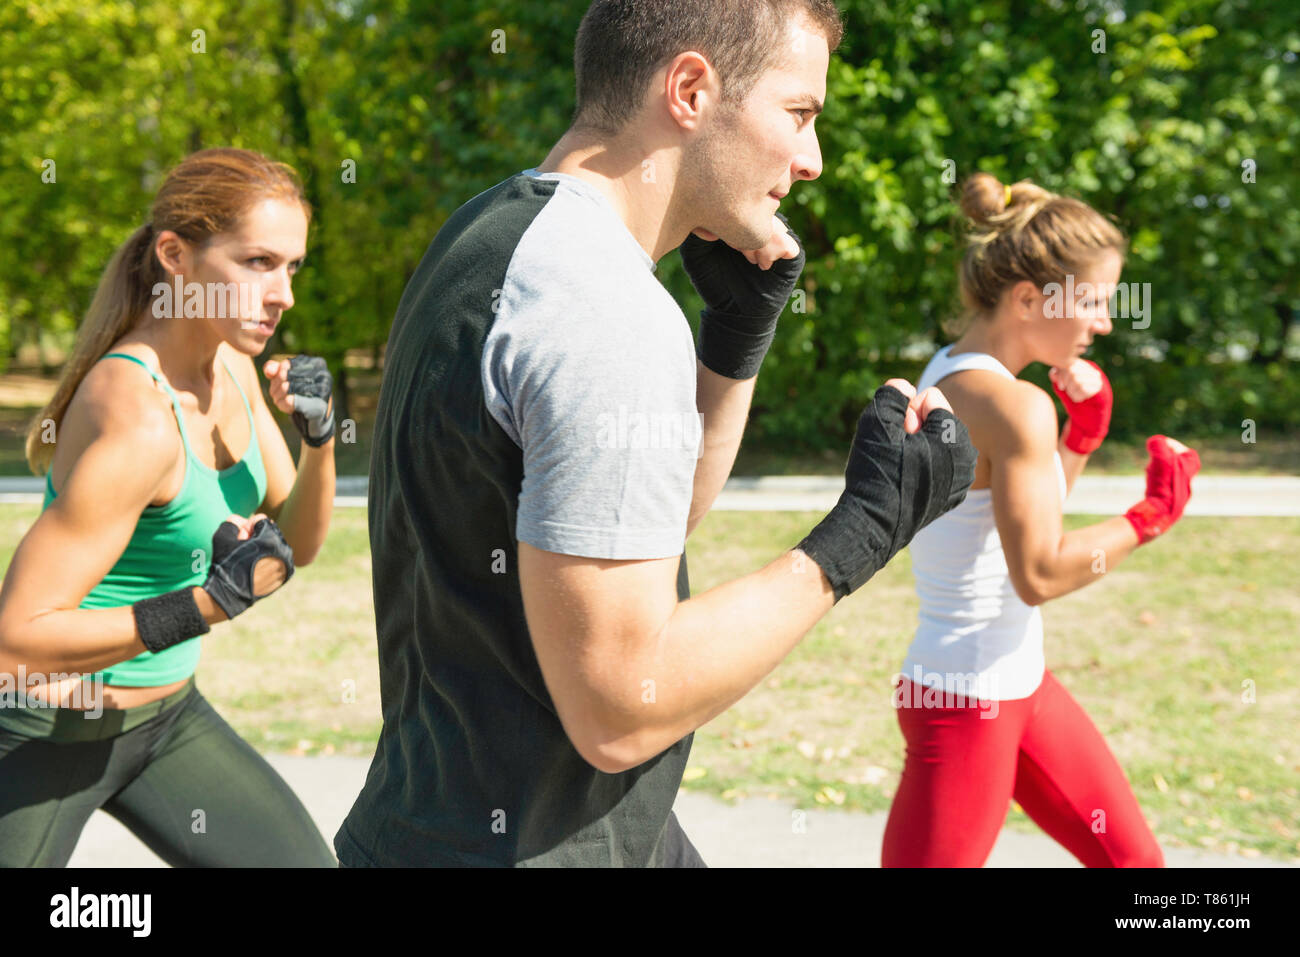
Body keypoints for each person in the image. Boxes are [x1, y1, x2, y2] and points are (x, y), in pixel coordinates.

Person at [337, 0, 977, 868]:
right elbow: (619, 705)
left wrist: (736, 344)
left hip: (445, 817)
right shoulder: (605, 308)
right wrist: (863, 531)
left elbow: (627, 540)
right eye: (799, 114)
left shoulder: (488, 233)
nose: (812, 160)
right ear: (688, 89)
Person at [0, 147, 338, 867]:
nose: (283, 294)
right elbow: (16, 641)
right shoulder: (137, 415)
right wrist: (205, 604)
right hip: (45, 729)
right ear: (175, 256)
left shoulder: (233, 365)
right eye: (257, 262)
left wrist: (320, 437)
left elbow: (298, 545)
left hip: (166, 719)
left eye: (292, 267)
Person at [881, 172, 1202, 868]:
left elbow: (1023, 518)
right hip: (966, 700)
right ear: (1029, 297)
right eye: (1092, 302)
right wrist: (1152, 515)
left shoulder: (950, 370)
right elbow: (1040, 571)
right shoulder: (1017, 404)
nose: (1105, 323)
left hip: (1017, 678)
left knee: (1139, 869)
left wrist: (1081, 436)